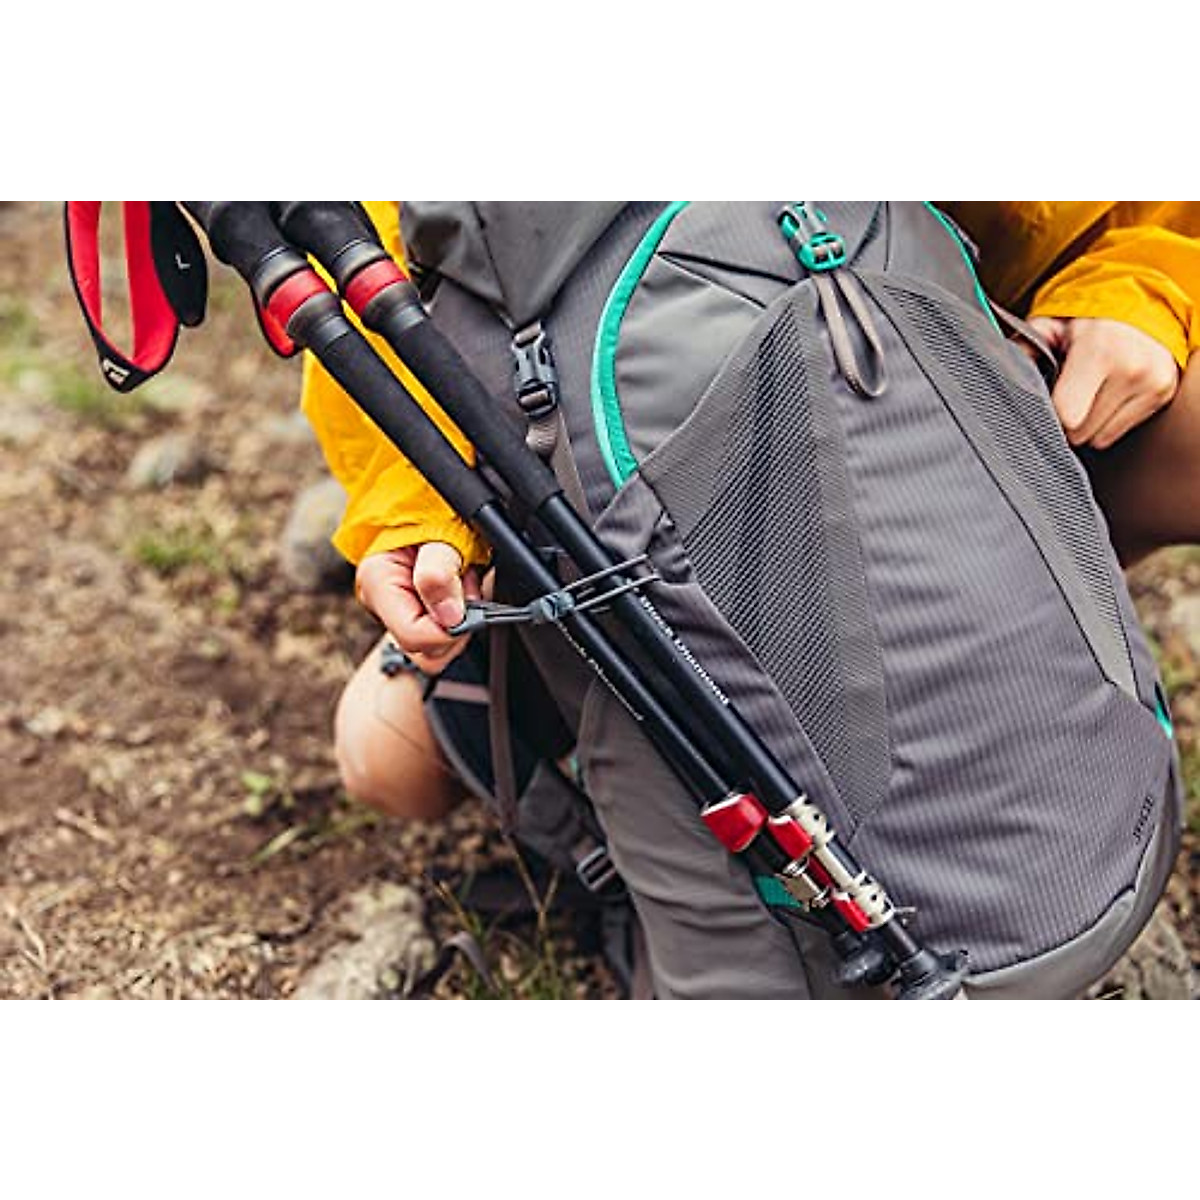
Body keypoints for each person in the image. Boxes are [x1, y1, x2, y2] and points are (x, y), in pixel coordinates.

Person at [308, 201, 1199, 993]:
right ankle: (635, 801)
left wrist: (1134, 290)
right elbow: (377, 290)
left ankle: (1021, 651)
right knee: (384, 752)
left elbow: (1109, 212)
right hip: (623, 515)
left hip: (926, 407)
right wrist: (424, 517)